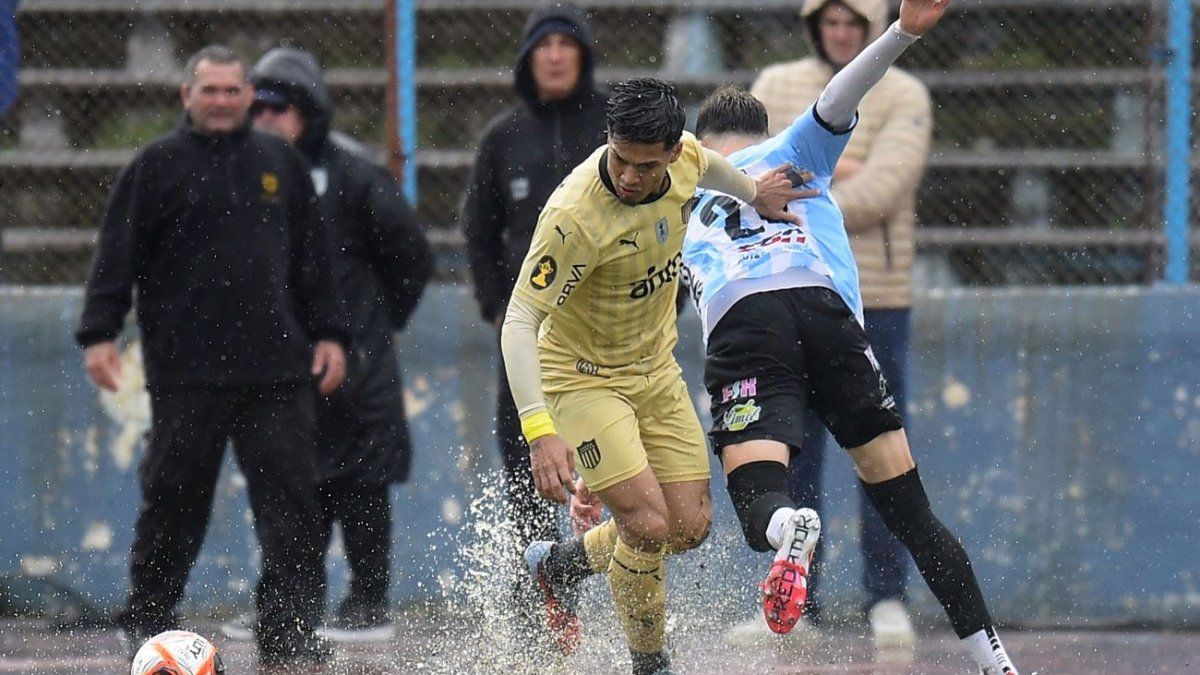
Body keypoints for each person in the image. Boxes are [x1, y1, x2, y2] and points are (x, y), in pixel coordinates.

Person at [573, 1, 1015, 672]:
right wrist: (903, 33)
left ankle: (789, 528)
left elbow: (631, 338)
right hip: (827, 316)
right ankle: (996, 663)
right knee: (912, 515)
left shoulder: (673, 198)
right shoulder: (793, 151)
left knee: (760, 499)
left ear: (695, 147)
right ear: (763, 132)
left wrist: (591, 461)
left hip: (747, 326)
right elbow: (839, 97)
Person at [503, 77, 808, 674]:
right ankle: (650, 662)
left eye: (645, 166)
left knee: (688, 526)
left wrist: (755, 193)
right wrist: (540, 430)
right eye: (620, 159)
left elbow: (708, 165)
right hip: (581, 378)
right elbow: (519, 320)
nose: (628, 176)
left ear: (671, 152)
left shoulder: (686, 157)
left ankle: (558, 566)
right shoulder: (573, 218)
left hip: (654, 371)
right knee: (645, 524)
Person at [76, 45, 348, 666]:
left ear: (248, 96)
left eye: (232, 90)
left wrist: (331, 333)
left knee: (291, 507)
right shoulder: (155, 166)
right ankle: (148, 622)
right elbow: (116, 255)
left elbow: (314, 260)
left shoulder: (280, 161)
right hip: (185, 371)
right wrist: (99, 333)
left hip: (277, 370)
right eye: (210, 90)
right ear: (187, 96)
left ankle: (289, 631)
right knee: (173, 502)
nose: (221, 101)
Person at [217, 46, 431, 643]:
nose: (266, 117)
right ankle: (286, 604)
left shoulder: (354, 176)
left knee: (361, 483)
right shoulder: (239, 174)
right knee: (287, 486)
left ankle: (368, 603)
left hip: (356, 364)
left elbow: (411, 258)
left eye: (280, 107)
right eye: (258, 107)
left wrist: (373, 326)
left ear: (308, 111)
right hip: (278, 364)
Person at [746, 0, 933, 643]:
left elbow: (886, 187)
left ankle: (888, 595)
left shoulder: (904, 92)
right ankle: (798, 600)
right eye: (831, 22)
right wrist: (837, 167)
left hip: (874, 297)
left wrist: (801, 185)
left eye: (854, 23)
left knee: (882, 453)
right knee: (790, 447)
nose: (842, 33)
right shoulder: (775, 83)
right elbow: (749, 172)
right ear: (813, 25)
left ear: (871, 26)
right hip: (787, 289)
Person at [460, 3, 609, 557]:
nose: (554, 56)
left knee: (615, 458)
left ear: (583, 55)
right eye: (543, 46)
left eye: (566, 44)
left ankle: (621, 575)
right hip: (530, 332)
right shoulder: (504, 137)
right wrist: (498, 309)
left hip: (610, 327)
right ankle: (537, 582)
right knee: (529, 462)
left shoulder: (614, 127)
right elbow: (478, 230)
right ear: (527, 59)